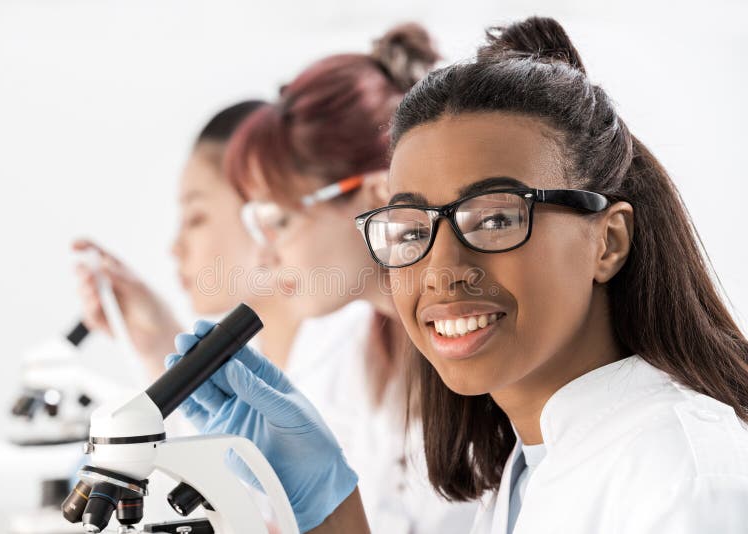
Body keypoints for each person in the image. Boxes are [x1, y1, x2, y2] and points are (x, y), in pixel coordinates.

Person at [166, 16, 748, 534]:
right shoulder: (521, 469)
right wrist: (329, 507)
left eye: (495, 217)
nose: (442, 270)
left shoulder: (682, 474)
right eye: (413, 229)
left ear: (608, 241)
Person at [222, 23, 476, 533]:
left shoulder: (483, 347)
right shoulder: (333, 348)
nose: (263, 256)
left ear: (376, 194)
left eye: (279, 221)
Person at [73, 100, 302, 379]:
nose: (175, 248)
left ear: (266, 211)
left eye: (195, 219)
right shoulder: (250, 360)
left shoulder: (352, 355)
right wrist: (158, 342)